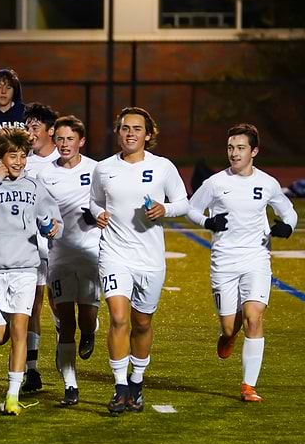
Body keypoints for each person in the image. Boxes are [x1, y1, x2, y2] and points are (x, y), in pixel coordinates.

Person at [186, 123, 297, 403]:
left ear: (254, 151)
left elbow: (289, 212)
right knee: (228, 327)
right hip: (224, 261)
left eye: (240, 148)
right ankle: (228, 336)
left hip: (256, 258)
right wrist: (208, 222)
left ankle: (249, 386)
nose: (234, 153)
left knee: (254, 317)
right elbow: (191, 209)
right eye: (230, 148)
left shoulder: (267, 183)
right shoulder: (215, 183)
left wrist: (287, 227)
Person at [90, 107, 188, 415]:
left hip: (150, 258)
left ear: (148, 134)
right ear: (117, 132)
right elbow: (94, 200)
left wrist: (165, 209)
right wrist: (98, 213)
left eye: (137, 128)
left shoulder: (163, 167)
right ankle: (120, 387)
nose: (130, 133)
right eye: (125, 128)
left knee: (142, 322)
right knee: (119, 317)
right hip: (114, 253)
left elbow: (183, 203)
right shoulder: (104, 168)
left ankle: (136, 381)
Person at [0, 127, 62, 416]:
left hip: (25, 268)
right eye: (12, 156)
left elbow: (54, 222)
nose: (19, 162)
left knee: (20, 329)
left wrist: (53, 228)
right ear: (0, 157)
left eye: (23, 156)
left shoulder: (34, 186)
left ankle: (11, 395)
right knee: (1, 334)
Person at [39, 116, 101, 406]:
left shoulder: (97, 170)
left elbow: (108, 204)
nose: (64, 144)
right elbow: (39, 211)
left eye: (70, 139)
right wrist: (45, 226)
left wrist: (97, 215)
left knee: (86, 318)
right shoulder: (45, 175)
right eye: (60, 139)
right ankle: (70, 386)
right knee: (65, 320)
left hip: (90, 253)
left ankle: (90, 331)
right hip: (60, 254)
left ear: (81, 141)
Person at [19, 101, 61, 393]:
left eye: (35, 127)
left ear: (51, 131)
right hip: (29, 245)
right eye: (27, 127)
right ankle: (31, 369)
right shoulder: (23, 162)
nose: (30, 133)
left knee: (60, 305)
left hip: (61, 247)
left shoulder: (67, 160)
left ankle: (64, 338)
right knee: (32, 304)